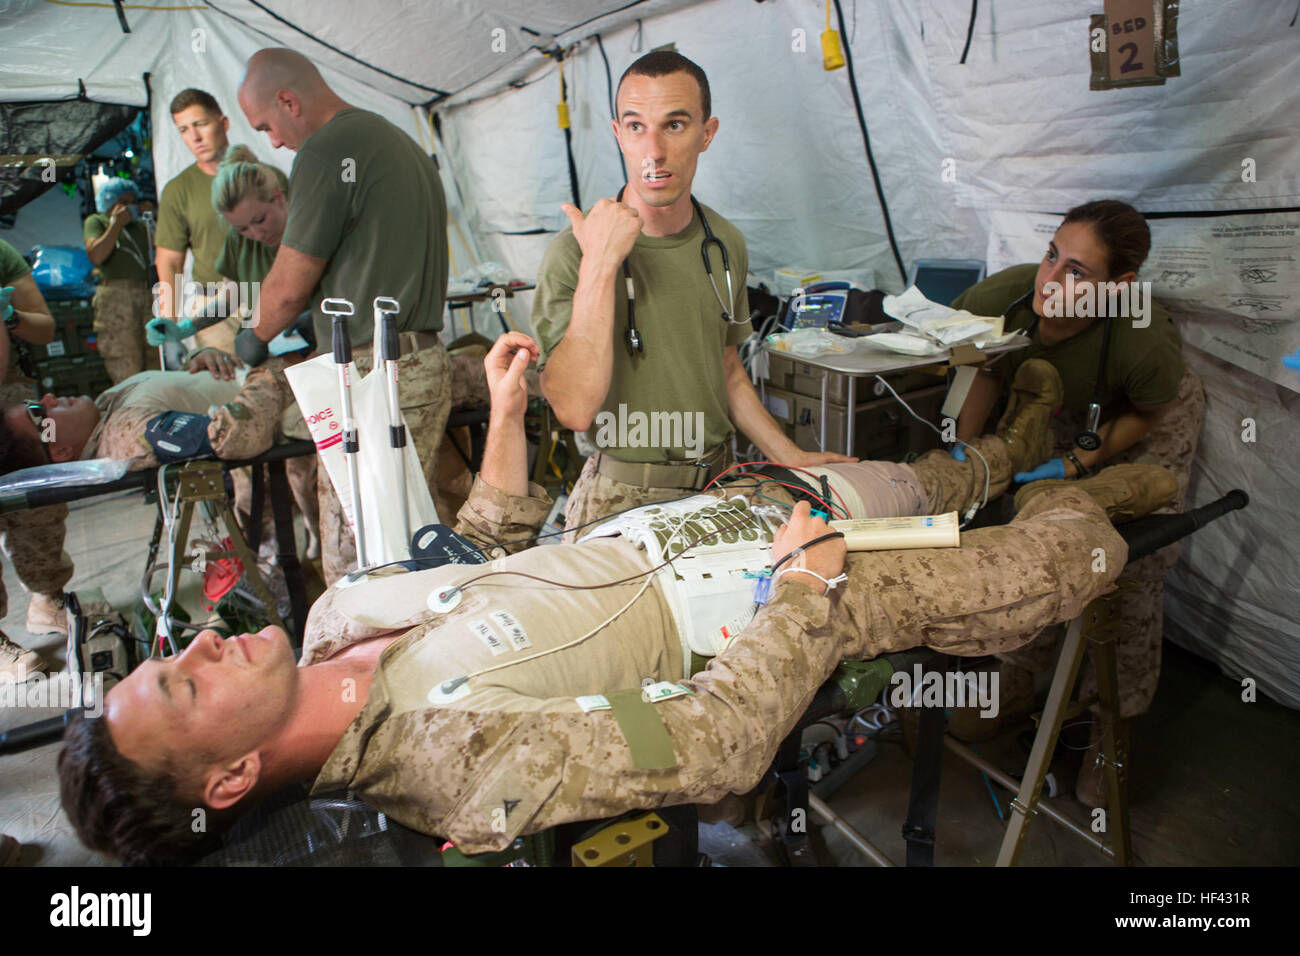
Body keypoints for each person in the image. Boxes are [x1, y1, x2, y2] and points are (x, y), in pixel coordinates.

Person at [57, 333, 1177, 865]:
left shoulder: (334, 622)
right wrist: (803, 592)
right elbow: (710, 743)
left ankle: (1028, 455)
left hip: (705, 517)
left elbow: (480, 539)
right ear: (235, 773)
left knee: (941, 479)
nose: (203, 639)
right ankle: (1102, 491)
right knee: (1060, 567)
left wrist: (501, 409)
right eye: (183, 679)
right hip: (791, 585)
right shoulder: (461, 765)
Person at [533, 51, 852, 540]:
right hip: (622, 498)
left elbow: (726, 367)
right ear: (618, 133)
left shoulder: (723, 244)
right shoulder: (575, 252)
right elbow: (574, 408)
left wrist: (790, 454)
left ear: (707, 133)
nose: (653, 152)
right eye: (637, 127)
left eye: (675, 125)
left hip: (717, 487)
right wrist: (601, 263)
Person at [949, 199, 1205, 805]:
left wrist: (1078, 464)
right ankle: (1017, 685)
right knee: (1028, 535)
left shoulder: (1141, 337)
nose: (1051, 281)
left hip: (1145, 419)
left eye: (1077, 272)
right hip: (1071, 411)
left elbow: (1152, 410)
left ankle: (1108, 727)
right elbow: (977, 371)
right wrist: (965, 459)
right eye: (1050, 256)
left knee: (1130, 563)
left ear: (1119, 287)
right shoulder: (1007, 300)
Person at [236, 48, 451, 586]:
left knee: (357, 567)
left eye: (268, 125)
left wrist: (249, 339)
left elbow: (287, 287)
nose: (274, 142)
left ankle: (364, 668)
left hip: (372, 378)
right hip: (415, 360)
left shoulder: (328, 150)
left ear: (289, 100)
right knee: (414, 542)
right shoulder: (398, 140)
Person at [155, 90, 285, 353]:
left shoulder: (271, 179)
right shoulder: (179, 191)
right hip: (217, 301)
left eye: (201, 124)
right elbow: (170, 261)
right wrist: (174, 327)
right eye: (184, 129)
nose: (195, 137)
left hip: (279, 296)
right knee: (226, 380)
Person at [0, 238, 69, 676]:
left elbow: (44, 327)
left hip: (10, 393)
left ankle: (48, 597)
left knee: (40, 500)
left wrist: (10, 316)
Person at [84, 178, 155, 383]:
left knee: (155, 354)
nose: (129, 207)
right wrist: (116, 225)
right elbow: (96, 256)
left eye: (133, 201)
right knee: (125, 358)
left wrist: (151, 218)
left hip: (148, 293)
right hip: (117, 297)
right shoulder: (98, 222)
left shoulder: (141, 227)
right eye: (123, 202)